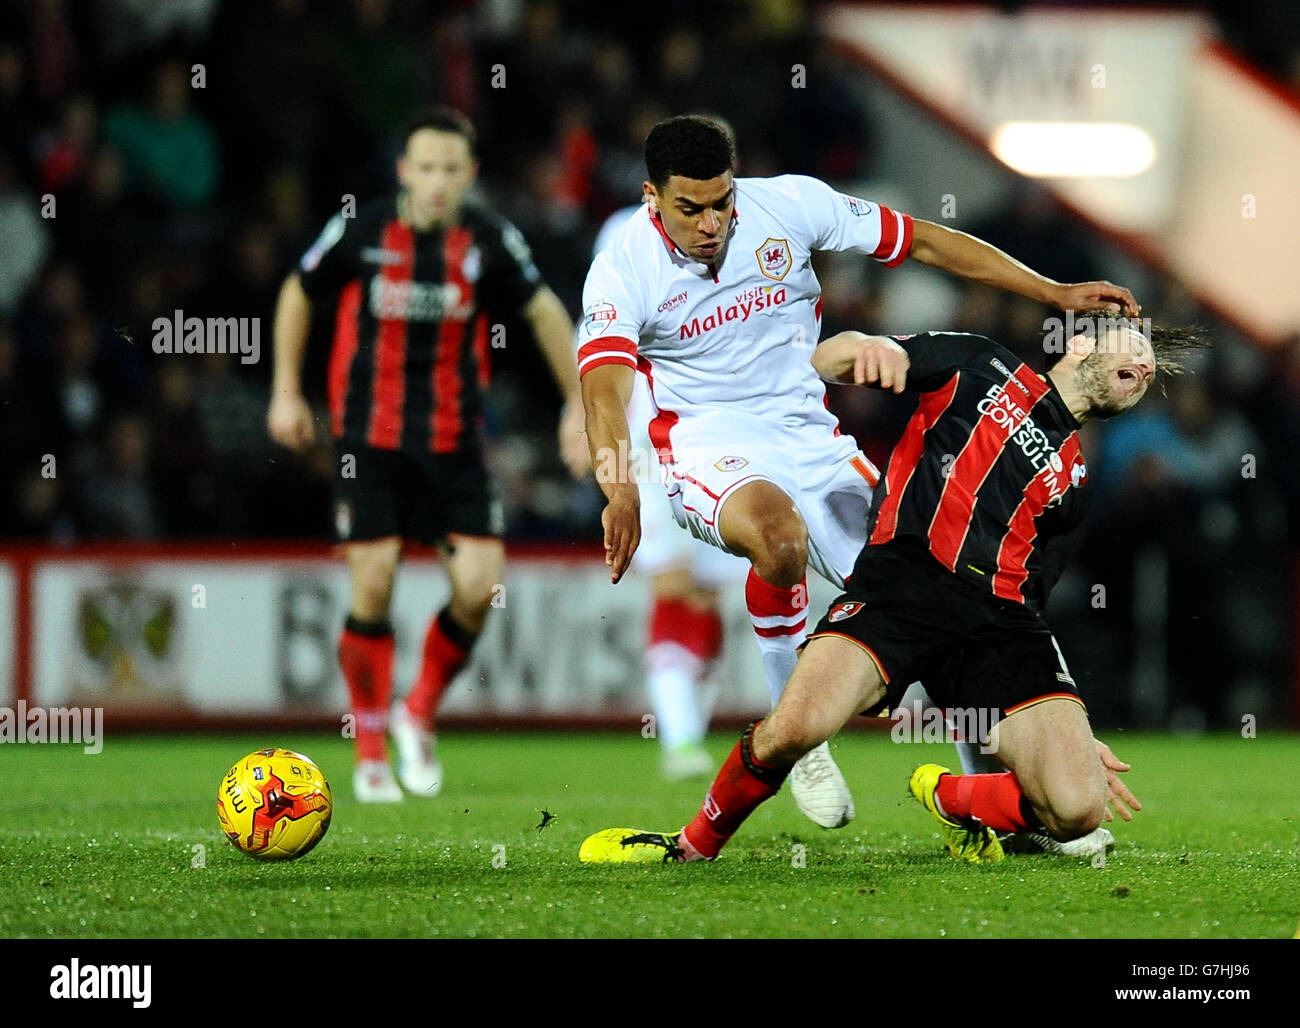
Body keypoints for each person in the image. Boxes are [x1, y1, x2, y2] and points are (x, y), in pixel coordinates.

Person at [577, 114, 1138, 828]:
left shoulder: (790, 205)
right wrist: (618, 486)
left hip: (808, 431)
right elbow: (603, 388)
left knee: (936, 586)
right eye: (691, 208)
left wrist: (1050, 293)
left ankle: (987, 803)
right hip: (706, 442)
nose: (712, 222)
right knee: (777, 540)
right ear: (653, 198)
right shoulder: (623, 265)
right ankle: (800, 741)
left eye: (723, 202)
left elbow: (926, 240)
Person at [580, 314, 1206, 864]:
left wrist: (1061, 719)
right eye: (1132, 348)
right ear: (1077, 346)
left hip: (1002, 625)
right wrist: (859, 353)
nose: (1145, 364)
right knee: (794, 729)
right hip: (900, 588)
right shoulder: (981, 362)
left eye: (1150, 368)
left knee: (1081, 808)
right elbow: (831, 358)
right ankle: (691, 845)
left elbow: (1035, 594)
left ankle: (948, 795)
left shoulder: (1076, 479)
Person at [268, 107, 587, 802]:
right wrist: (286, 391)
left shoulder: (488, 238)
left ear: (469, 176)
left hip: (455, 444)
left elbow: (544, 312)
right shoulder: (362, 228)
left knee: (477, 589)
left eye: (452, 170)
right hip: (369, 441)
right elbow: (299, 289)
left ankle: (420, 713)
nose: (438, 182)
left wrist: (575, 405)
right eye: (427, 168)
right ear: (404, 171)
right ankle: (373, 748)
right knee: (374, 580)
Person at [594, 201, 749, 781]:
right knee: (673, 582)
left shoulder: (728, 249)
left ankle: (691, 730)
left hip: (717, 443)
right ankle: (679, 739)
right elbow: (600, 345)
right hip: (647, 447)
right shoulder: (620, 245)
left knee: (708, 597)